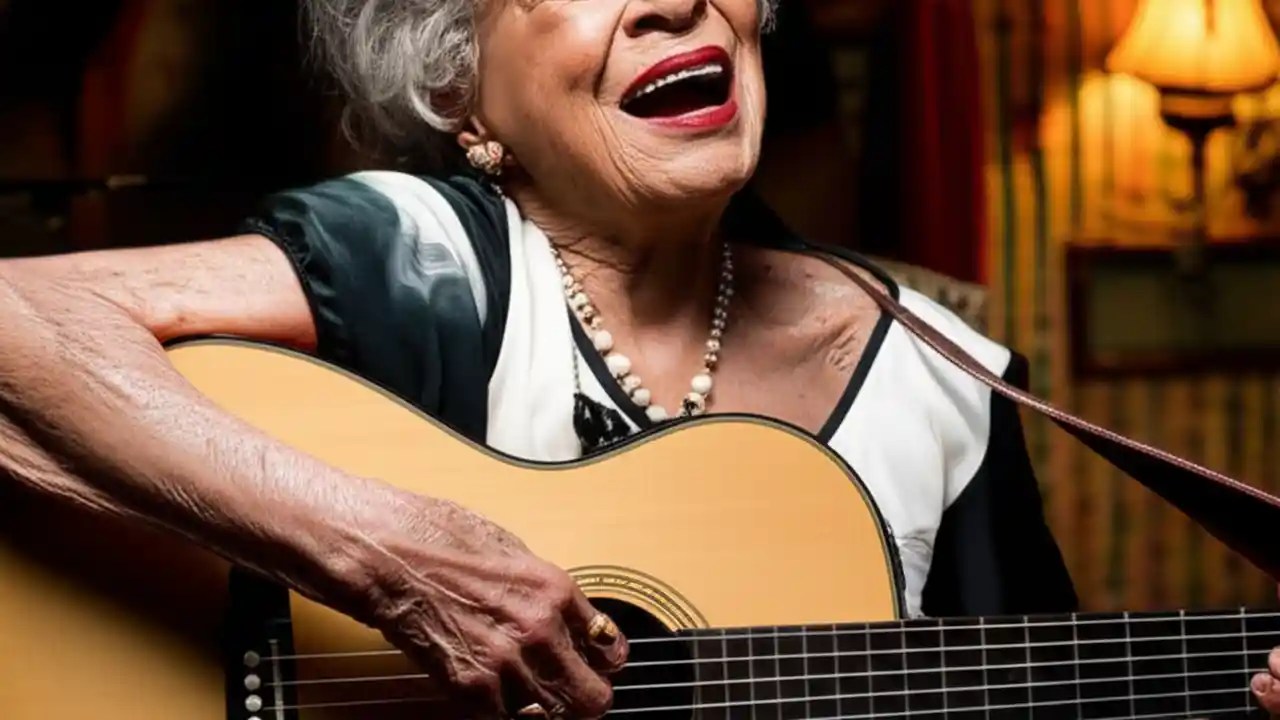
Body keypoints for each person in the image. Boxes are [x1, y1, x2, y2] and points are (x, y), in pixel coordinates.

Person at [1, 0, 1277, 717]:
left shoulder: (933, 367)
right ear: (462, 97)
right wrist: (377, 559)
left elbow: (1039, 698)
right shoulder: (418, 256)